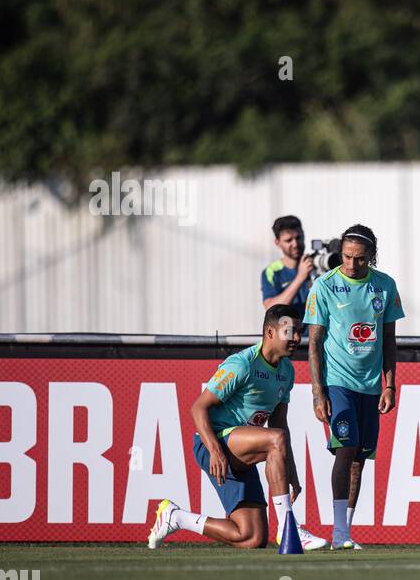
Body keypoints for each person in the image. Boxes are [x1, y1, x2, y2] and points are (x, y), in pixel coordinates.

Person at [149, 304, 327, 551]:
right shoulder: (242, 365)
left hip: (244, 448)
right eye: (290, 332)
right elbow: (198, 407)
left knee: (251, 538)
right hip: (213, 444)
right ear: (270, 332)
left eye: (299, 332)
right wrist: (215, 450)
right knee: (274, 440)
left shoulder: (286, 371)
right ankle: (288, 526)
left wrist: (291, 472)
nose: (297, 338)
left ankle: (176, 517)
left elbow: (279, 426)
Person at [304, 224, 403, 549]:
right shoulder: (325, 285)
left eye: (359, 259)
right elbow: (314, 342)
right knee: (345, 450)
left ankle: (345, 533)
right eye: (346, 257)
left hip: (371, 386)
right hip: (338, 383)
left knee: (360, 458)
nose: (350, 264)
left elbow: (389, 341)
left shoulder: (385, 286)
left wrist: (390, 386)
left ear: (371, 257)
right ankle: (339, 532)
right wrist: (318, 392)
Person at [261, 215, 314, 310]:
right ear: (277, 243)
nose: (295, 244)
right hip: (290, 325)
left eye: (298, 238)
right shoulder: (271, 272)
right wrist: (300, 277)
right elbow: (270, 307)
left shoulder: (318, 264)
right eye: (288, 240)